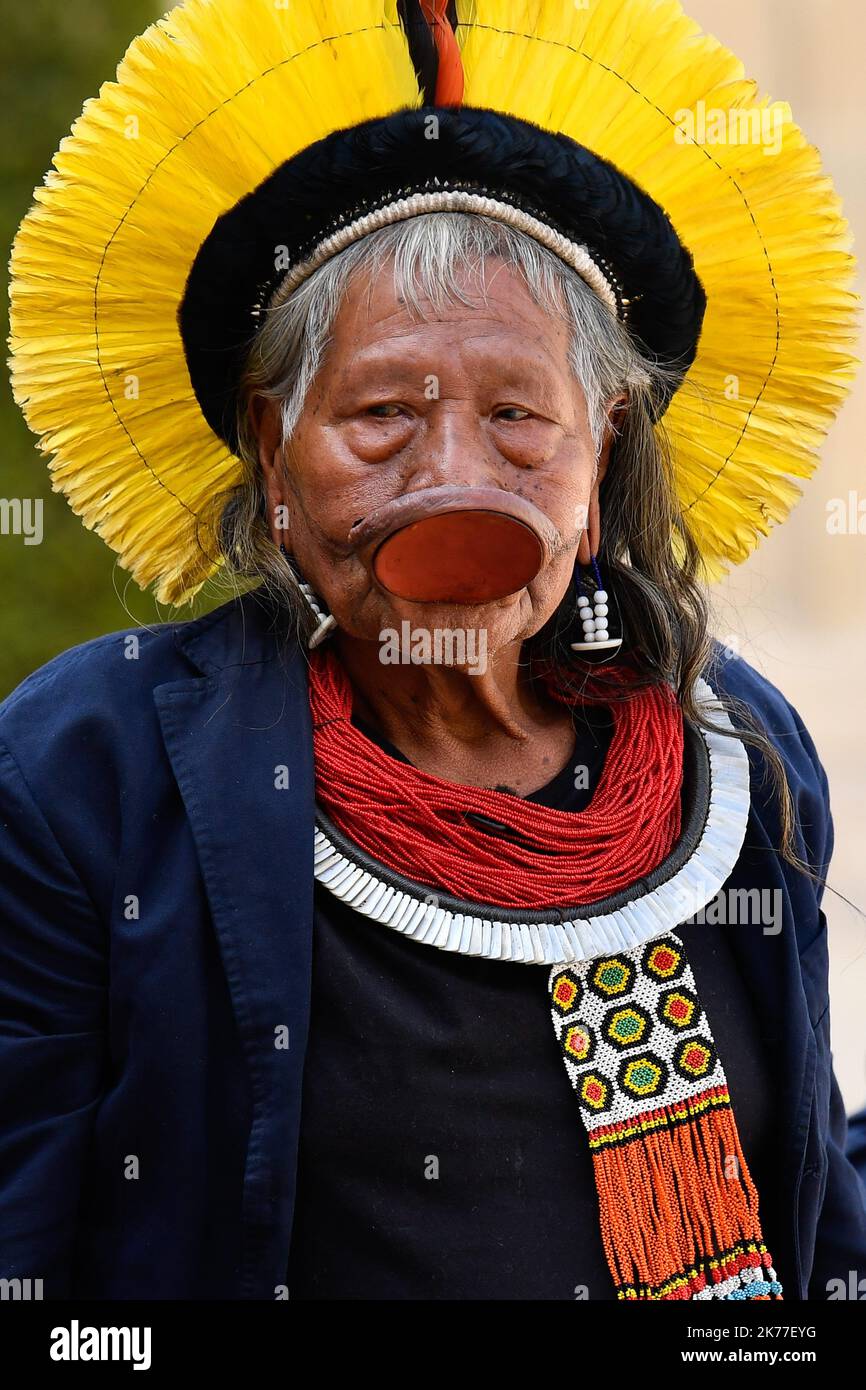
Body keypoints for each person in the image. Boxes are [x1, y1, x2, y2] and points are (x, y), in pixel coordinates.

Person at [3, 0, 866, 1301]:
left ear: (603, 455)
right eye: (381, 414)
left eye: (518, 414)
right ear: (270, 453)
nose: (453, 481)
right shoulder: (89, 776)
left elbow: (813, 1220)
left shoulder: (736, 756)